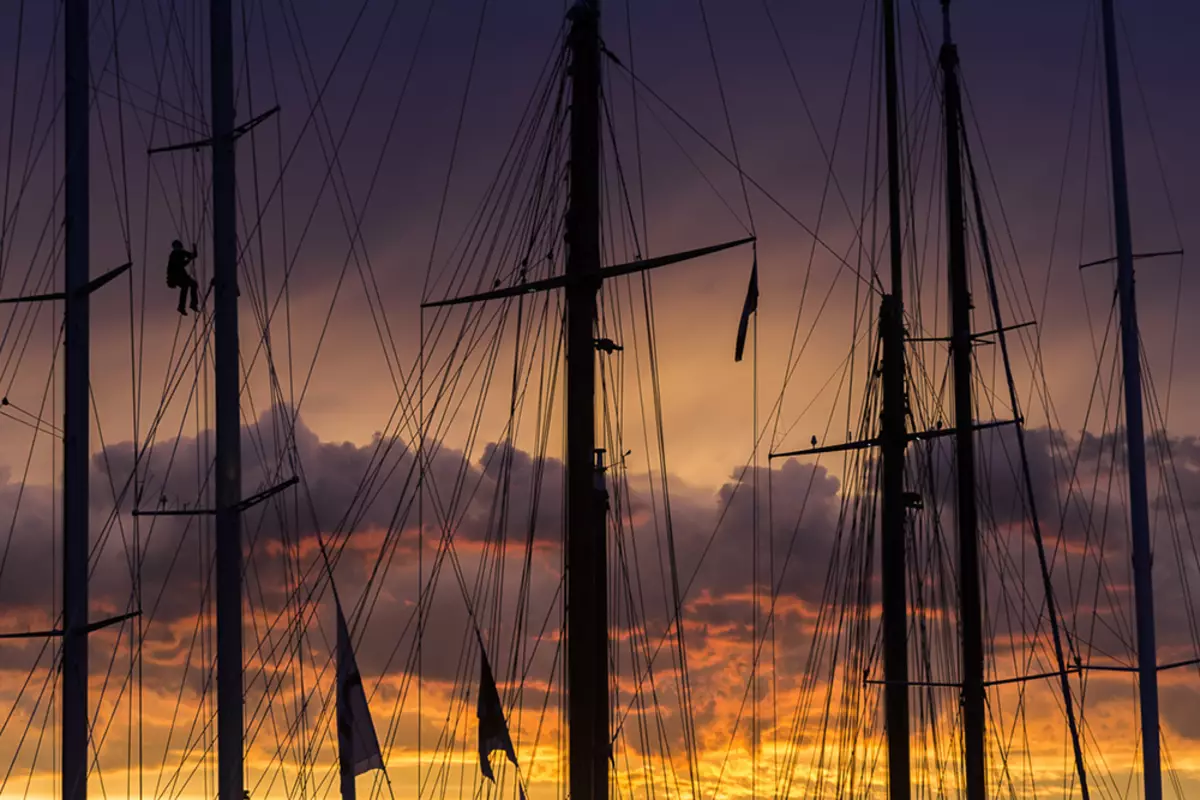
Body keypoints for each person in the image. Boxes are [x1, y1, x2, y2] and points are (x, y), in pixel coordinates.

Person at [166, 240, 199, 315]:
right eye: (176, 246)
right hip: (175, 276)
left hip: (181, 276)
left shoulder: (182, 252)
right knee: (187, 286)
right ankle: (183, 306)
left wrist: (194, 248)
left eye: (178, 246)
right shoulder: (173, 255)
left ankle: (192, 304)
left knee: (192, 285)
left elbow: (193, 256)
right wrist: (188, 260)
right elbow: (179, 264)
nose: (177, 248)